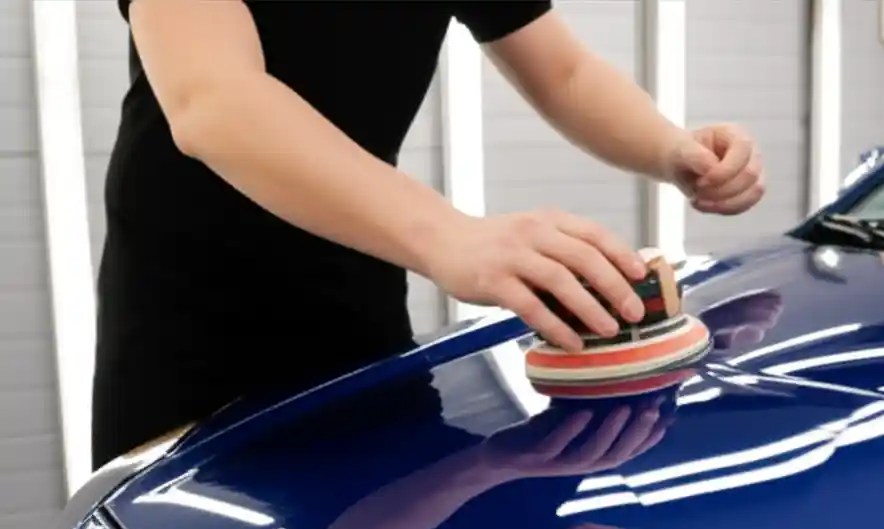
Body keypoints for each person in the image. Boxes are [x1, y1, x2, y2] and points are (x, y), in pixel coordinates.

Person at [92, 0, 766, 470]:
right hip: (188, 304)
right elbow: (214, 100)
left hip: (359, 262)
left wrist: (674, 151)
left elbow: (564, 71)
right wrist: (453, 238)